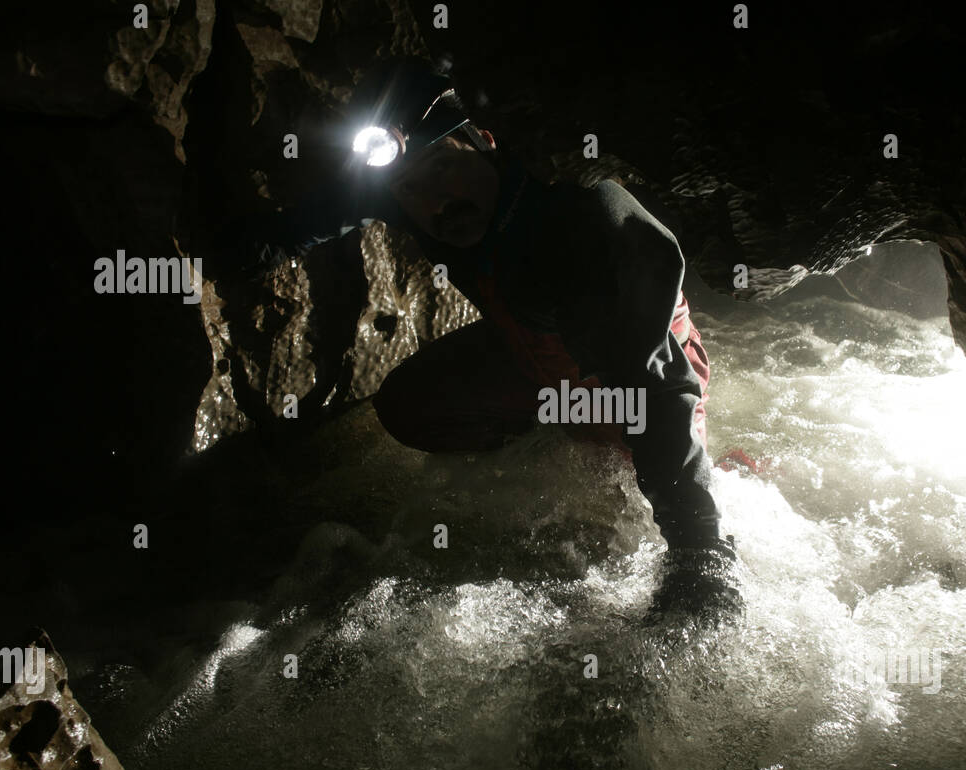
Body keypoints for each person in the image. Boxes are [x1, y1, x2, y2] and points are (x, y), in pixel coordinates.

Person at [214, 57, 740, 615]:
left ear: (486, 139)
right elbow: (320, 216)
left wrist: (698, 553)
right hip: (530, 348)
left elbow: (656, 392)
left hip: (636, 356)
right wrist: (225, 250)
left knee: (619, 482)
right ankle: (551, 432)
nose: (435, 200)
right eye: (409, 184)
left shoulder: (577, 218)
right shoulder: (417, 193)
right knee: (410, 406)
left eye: (443, 166)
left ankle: (722, 479)